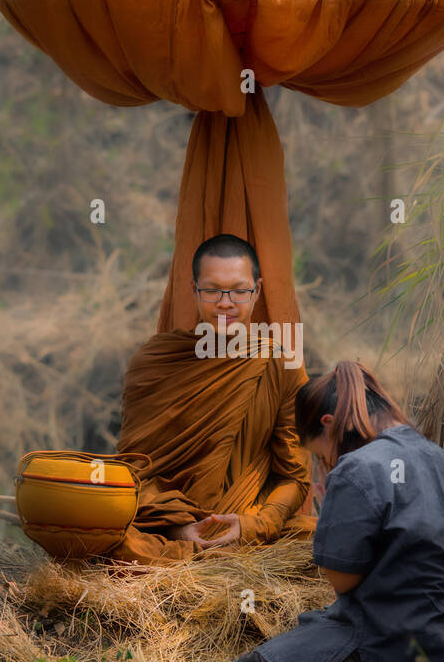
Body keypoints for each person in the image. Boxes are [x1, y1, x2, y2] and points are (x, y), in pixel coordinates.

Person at [218, 361, 444, 662]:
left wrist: (329, 503)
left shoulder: (357, 468)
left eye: (319, 453)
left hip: (382, 642)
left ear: (328, 424)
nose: (324, 463)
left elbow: (342, 578)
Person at [108, 234, 314, 566]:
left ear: (257, 290)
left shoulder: (280, 364)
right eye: (212, 290)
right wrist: (180, 528)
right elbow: (135, 469)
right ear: (194, 290)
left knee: (325, 542)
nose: (225, 303)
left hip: (247, 531)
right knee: (108, 541)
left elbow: (294, 475)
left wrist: (252, 526)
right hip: (164, 529)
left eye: (239, 290)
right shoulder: (156, 361)